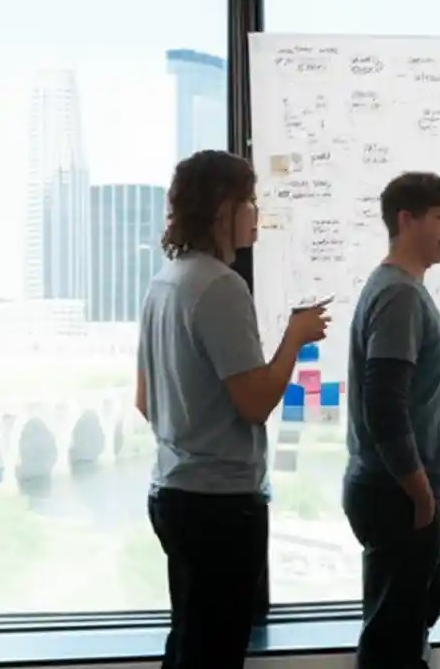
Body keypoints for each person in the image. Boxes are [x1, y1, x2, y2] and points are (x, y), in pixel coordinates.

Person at [134, 150, 330, 669]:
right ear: (223, 209)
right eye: (250, 201)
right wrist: (295, 338)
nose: (256, 214)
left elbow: (144, 400)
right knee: (216, 652)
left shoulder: (166, 280)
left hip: (172, 492)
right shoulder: (222, 286)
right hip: (219, 506)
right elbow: (255, 402)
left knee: (189, 642)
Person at [343, 171, 440, 668]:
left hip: (398, 492)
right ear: (406, 220)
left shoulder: (399, 289)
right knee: (392, 649)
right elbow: (384, 406)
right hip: (399, 495)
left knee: (401, 636)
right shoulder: (400, 296)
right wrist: (421, 496)